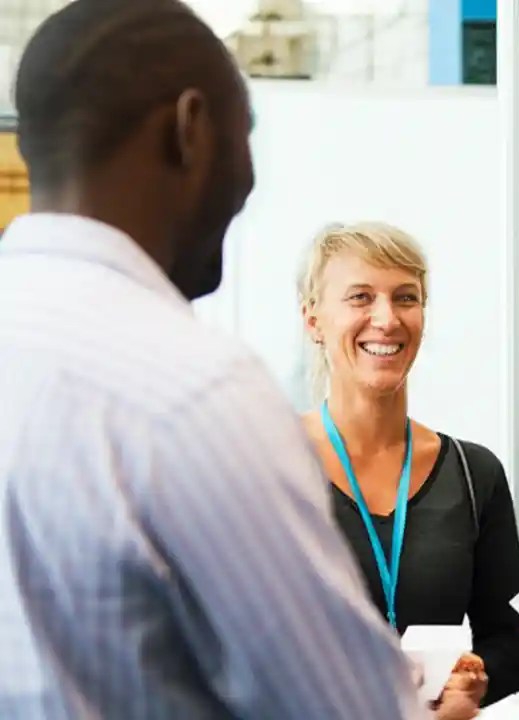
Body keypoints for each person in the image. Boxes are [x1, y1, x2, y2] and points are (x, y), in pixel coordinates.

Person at [0, 1, 426, 718]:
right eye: (246, 133)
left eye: (406, 297)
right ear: (190, 129)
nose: (249, 179)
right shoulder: (192, 391)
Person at [297, 221, 519, 714]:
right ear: (314, 320)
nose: (386, 319)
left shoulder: (473, 474)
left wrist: (473, 678)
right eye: (361, 297)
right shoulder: (266, 469)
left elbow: (516, 640)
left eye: (405, 298)